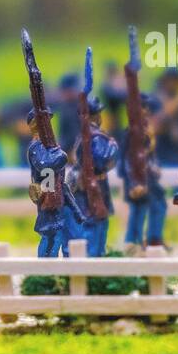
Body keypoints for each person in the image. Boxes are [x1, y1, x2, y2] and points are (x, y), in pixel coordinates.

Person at [26, 109, 82, 258]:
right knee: (51, 236)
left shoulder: (50, 146)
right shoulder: (36, 147)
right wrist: (61, 154)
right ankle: (46, 272)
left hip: (60, 194)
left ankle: (70, 269)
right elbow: (47, 165)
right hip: (48, 197)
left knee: (72, 231)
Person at [69, 95, 119, 257]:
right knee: (95, 224)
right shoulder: (95, 137)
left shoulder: (87, 135)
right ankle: (93, 262)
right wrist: (113, 147)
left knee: (96, 223)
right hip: (93, 187)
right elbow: (101, 161)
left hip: (93, 186)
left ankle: (95, 261)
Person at [120, 93, 167, 252]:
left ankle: (153, 239)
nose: (146, 111)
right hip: (138, 178)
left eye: (146, 107)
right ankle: (133, 243)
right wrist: (134, 183)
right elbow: (127, 160)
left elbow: (150, 154)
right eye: (143, 107)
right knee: (139, 211)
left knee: (158, 205)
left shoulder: (145, 128)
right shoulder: (133, 132)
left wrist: (155, 167)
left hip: (149, 177)